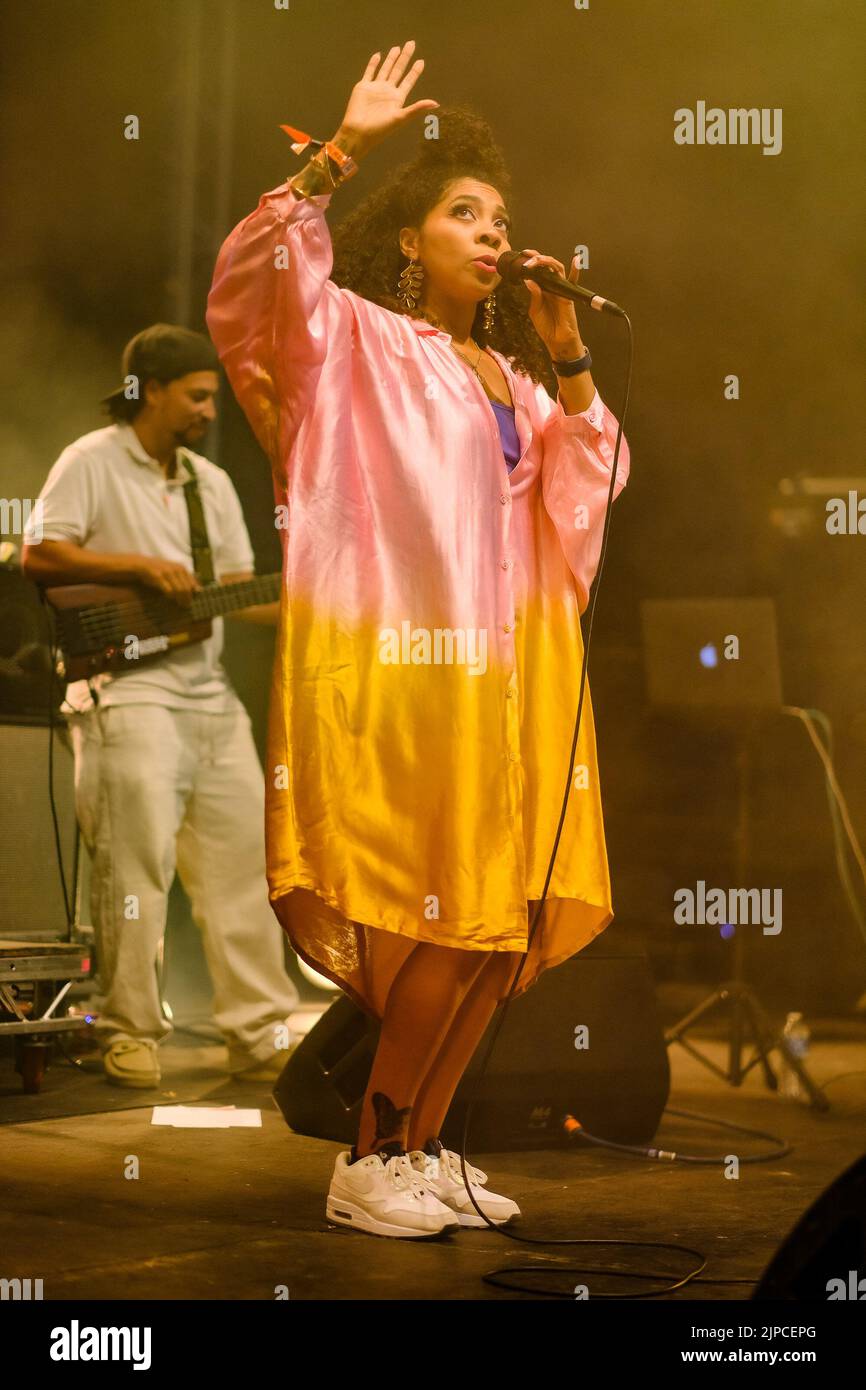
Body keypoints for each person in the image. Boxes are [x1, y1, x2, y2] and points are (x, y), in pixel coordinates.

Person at [207, 40, 631, 1238]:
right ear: (410, 241)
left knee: (499, 935)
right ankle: (366, 1156)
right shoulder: (356, 343)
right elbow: (252, 283)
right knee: (443, 920)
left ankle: (426, 1146)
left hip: (506, 688)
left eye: (501, 218)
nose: (492, 234)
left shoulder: (511, 376)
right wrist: (343, 150)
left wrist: (569, 355)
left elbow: (583, 497)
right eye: (463, 213)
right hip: (407, 677)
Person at [21, 324, 301, 1089]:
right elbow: (36, 552)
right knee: (134, 874)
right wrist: (139, 565)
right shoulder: (91, 460)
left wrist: (327, 595)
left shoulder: (207, 483)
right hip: (131, 692)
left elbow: (240, 589)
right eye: (199, 395)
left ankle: (258, 1031)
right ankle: (128, 1028)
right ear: (152, 390)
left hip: (210, 698)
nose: (212, 408)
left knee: (243, 869)